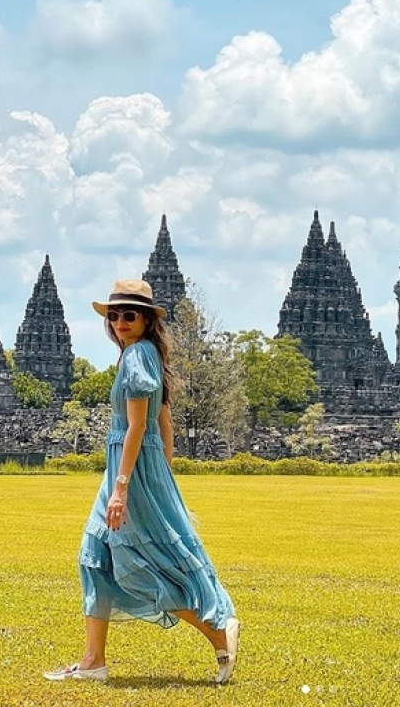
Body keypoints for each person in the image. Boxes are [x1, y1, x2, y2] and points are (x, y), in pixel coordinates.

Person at [44, 279, 239, 684]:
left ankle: (219, 630)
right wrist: (159, 477)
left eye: (129, 315)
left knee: (137, 563)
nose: (119, 322)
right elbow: (163, 423)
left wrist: (123, 488)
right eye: (113, 315)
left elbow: (136, 427)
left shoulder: (137, 358)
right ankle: (93, 660)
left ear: (147, 319)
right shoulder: (142, 355)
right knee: (94, 553)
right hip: (139, 467)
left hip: (127, 468)